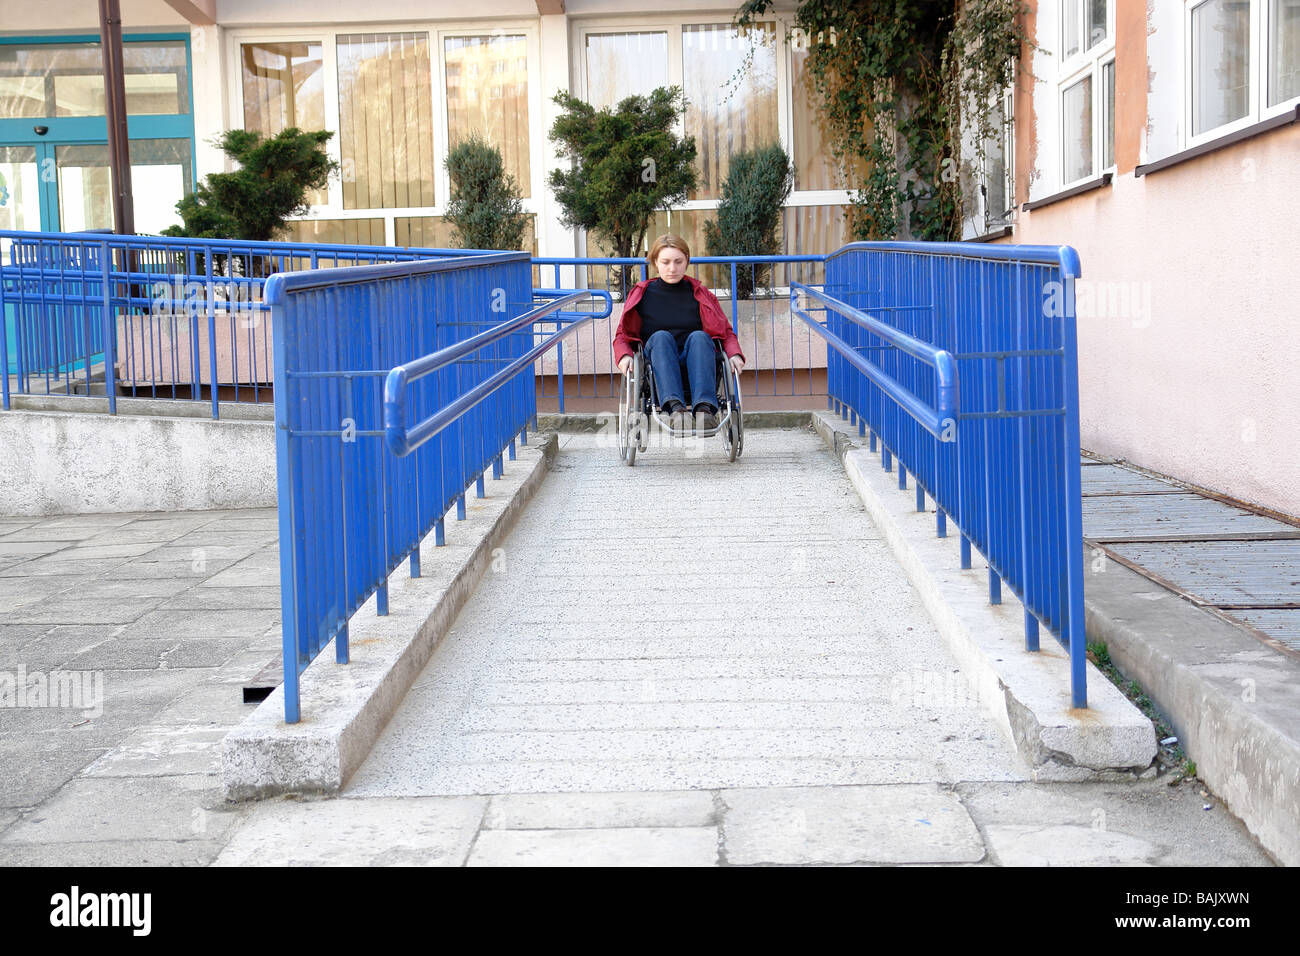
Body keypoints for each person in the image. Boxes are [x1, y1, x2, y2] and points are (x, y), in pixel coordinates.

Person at [612, 234, 745, 432]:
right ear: (655, 262)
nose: (672, 268)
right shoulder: (642, 294)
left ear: (687, 262)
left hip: (698, 359)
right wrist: (624, 355)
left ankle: (704, 411)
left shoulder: (701, 294)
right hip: (658, 363)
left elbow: (725, 331)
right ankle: (676, 411)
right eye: (665, 262)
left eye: (678, 262)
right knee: (661, 337)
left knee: (700, 337)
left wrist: (734, 352)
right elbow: (623, 335)